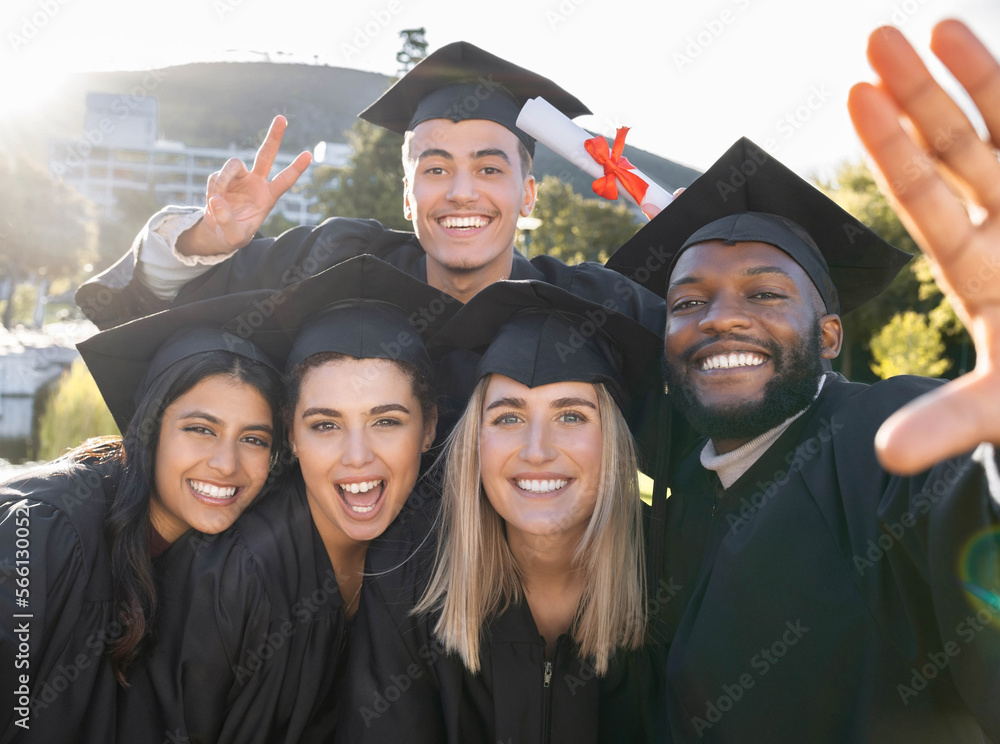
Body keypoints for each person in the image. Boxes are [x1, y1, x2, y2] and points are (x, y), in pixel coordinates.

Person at [602, 20, 1000, 742]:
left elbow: (972, 515)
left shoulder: (884, 444)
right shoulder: (678, 496)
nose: (720, 319)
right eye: (688, 302)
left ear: (830, 335)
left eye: (765, 294)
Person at [72, 41, 665, 450]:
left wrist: (709, 241)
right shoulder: (339, 261)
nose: (461, 193)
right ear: (407, 197)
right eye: (434, 170)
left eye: (489, 170)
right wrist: (211, 236)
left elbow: (710, 358)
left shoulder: (585, 305)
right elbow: (166, 302)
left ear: (528, 193)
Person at [114, 255, 459, 744]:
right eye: (325, 425)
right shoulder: (234, 574)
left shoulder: (435, 552)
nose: (356, 457)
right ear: (290, 437)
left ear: (428, 428)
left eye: (386, 421)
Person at [334, 278, 666, 743]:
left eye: (571, 416)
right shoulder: (410, 579)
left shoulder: (671, 569)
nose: (536, 451)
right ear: (475, 442)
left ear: (614, 440)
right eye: (508, 418)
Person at [0, 295, 285, 744]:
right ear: (149, 428)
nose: (227, 464)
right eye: (200, 429)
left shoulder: (219, 565)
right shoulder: (41, 533)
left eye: (253, 439)